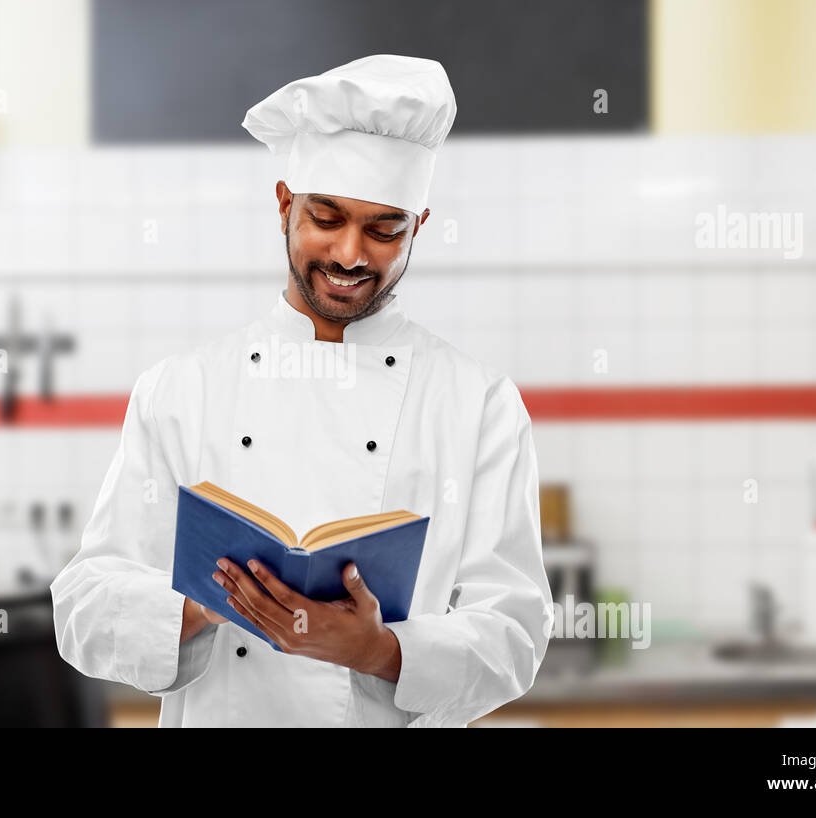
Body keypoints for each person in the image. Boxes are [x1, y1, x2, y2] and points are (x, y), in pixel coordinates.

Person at [51, 54, 552, 727]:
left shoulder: (479, 404)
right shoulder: (181, 390)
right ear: (285, 205)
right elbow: (82, 607)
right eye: (327, 216)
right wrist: (204, 601)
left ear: (418, 227)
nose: (351, 254)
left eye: (384, 229)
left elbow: (515, 632)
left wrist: (383, 651)